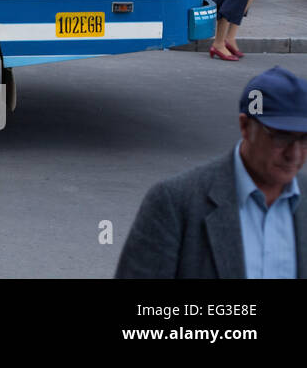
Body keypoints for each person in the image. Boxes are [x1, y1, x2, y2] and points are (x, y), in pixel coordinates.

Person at [116, 66, 307, 278]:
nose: (295, 154)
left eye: (305, 139)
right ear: (245, 126)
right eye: (281, 137)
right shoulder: (175, 202)